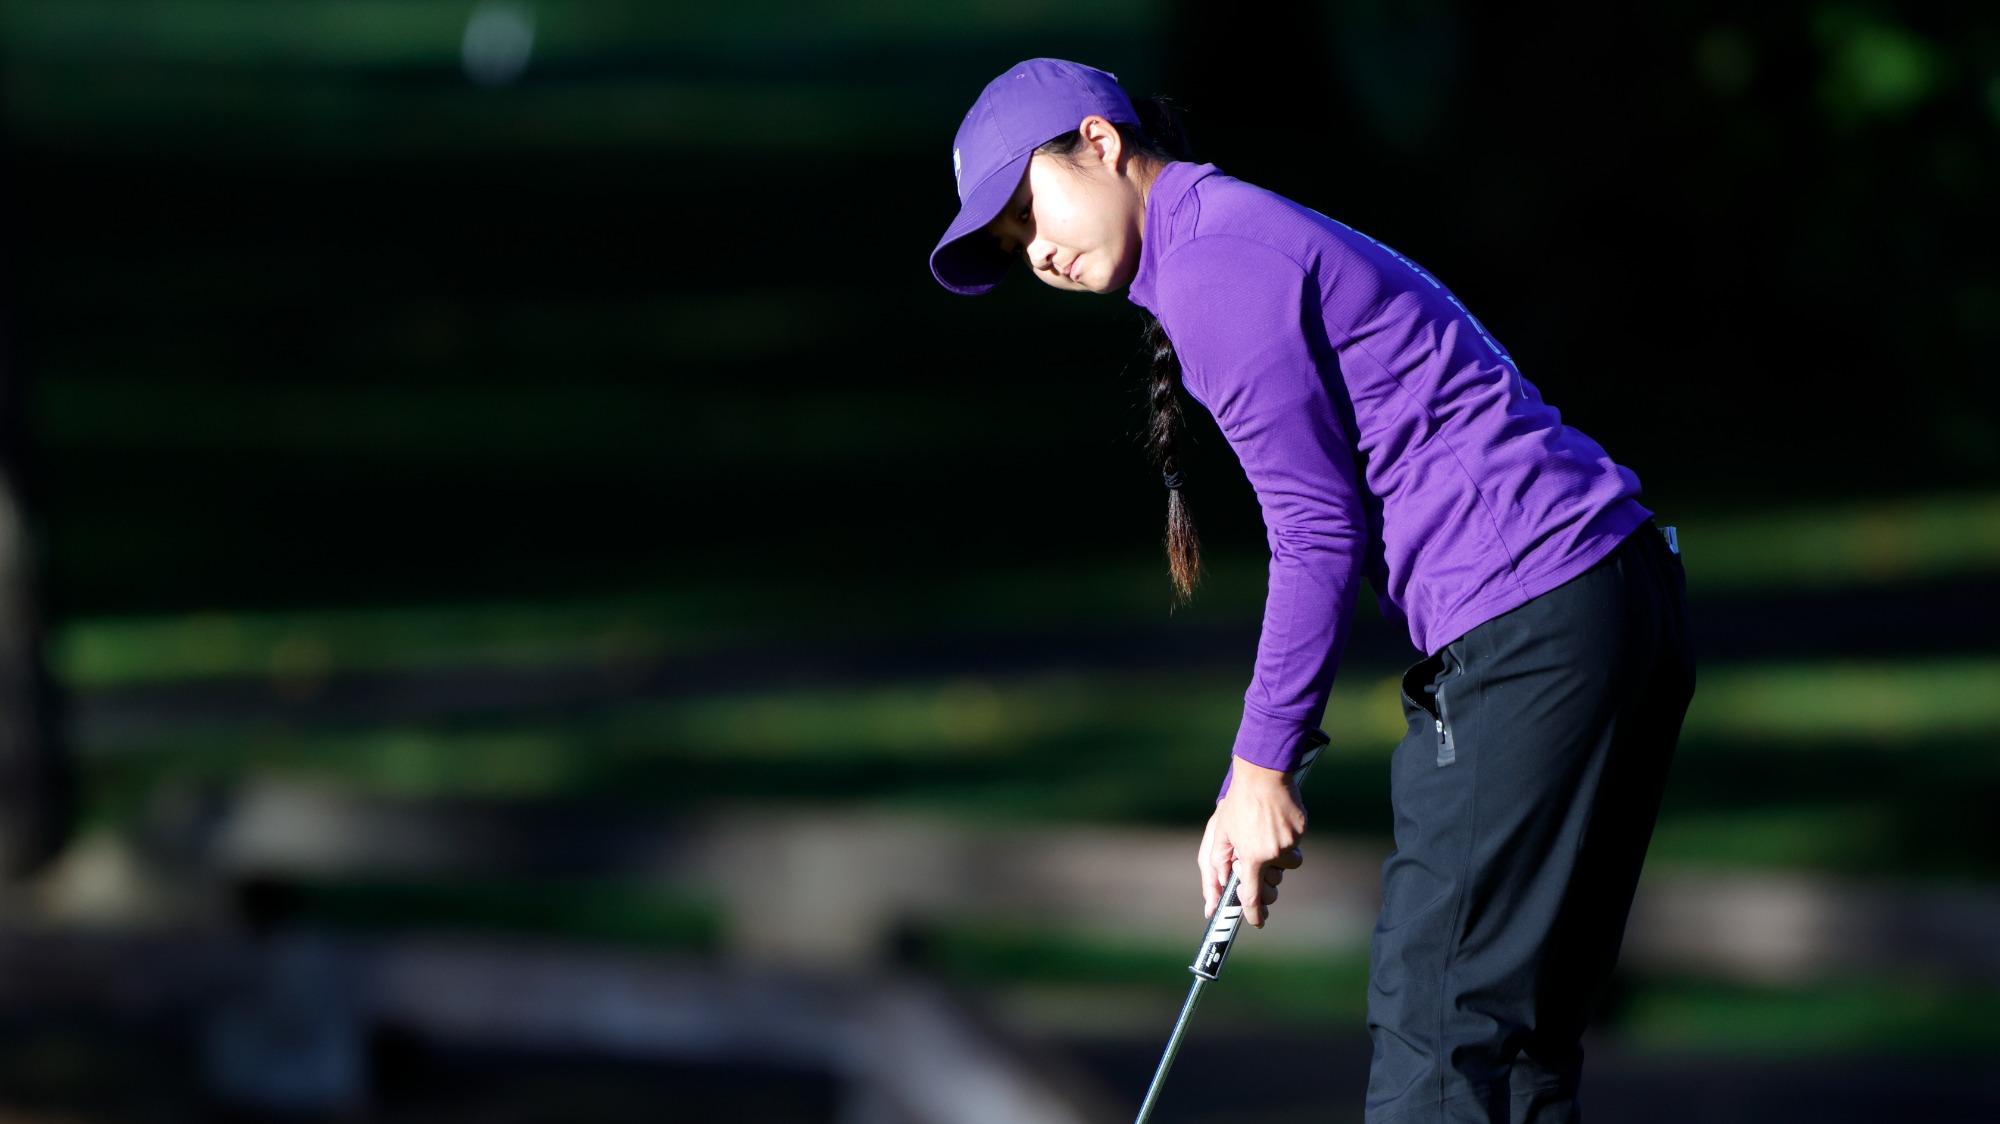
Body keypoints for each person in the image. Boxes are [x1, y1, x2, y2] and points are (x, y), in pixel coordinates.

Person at [928, 59, 1695, 1123]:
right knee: (1509, 1045)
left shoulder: (1213, 260)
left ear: (1099, 144)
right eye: (1013, 245)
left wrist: (1258, 766)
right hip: (1602, 595)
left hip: (1532, 620)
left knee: (1440, 1040)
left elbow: (1314, 530)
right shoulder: (1216, 237)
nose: (1037, 251)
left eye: (1027, 208)